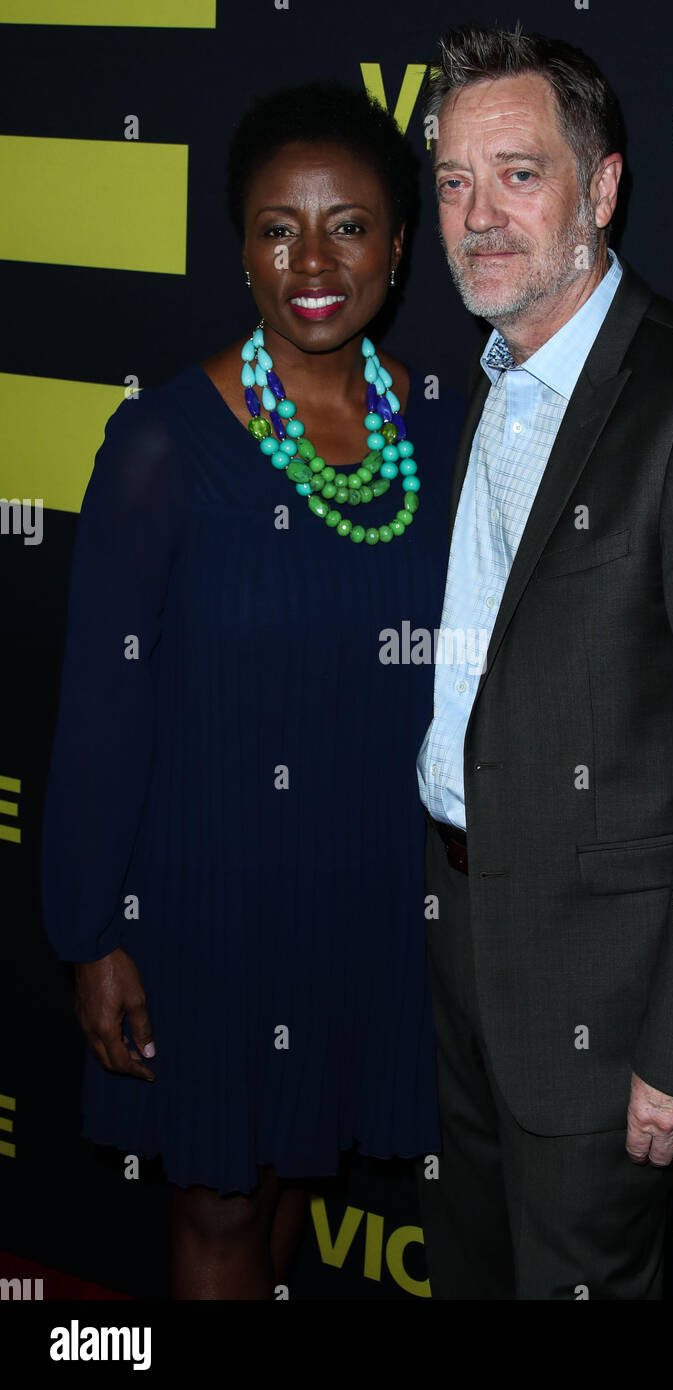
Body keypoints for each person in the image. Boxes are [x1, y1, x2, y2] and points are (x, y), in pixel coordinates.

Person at [415, 23, 673, 1300]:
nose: (477, 215)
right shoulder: (497, 378)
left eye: (518, 174)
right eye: (450, 181)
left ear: (599, 189)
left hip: (611, 1002)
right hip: (471, 945)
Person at [40, 81, 465, 1300]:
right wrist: (93, 935)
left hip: (364, 896)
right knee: (222, 1208)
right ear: (241, 247)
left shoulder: (435, 434)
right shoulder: (165, 445)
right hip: (210, 909)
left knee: (290, 1182)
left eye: (350, 224)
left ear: (399, 243)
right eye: (280, 227)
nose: (313, 260)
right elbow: (101, 707)